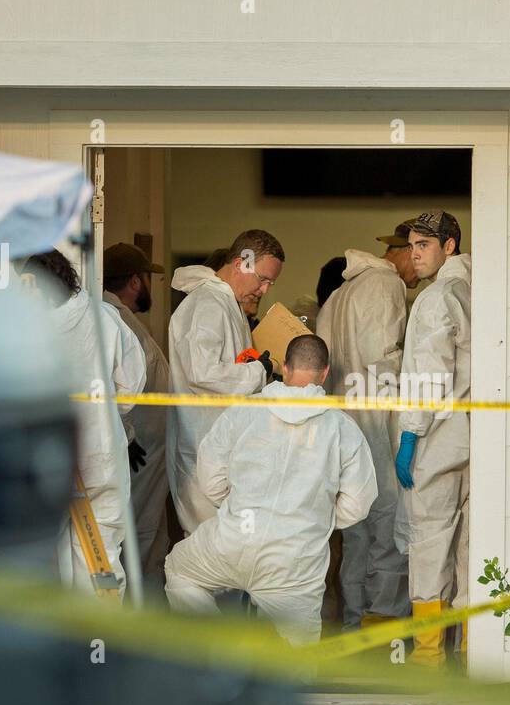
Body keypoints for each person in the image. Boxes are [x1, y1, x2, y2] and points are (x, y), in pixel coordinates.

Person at [164, 335, 378, 646]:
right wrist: (315, 518)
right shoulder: (343, 428)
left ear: (286, 368)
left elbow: (208, 474)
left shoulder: (243, 412)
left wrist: (237, 507)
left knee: (181, 572)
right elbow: (358, 504)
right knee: (299, 657)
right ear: (325, 372)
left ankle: (216, 652)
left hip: (233, 542)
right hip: (294, 562)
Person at [25, 250, 146, 597]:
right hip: (102, 455)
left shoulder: (28, 329)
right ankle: (103, 642)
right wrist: (107, 419)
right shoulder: (104, 318)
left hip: (52, 457)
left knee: (51, 559)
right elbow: (132, 385)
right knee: (102, 556)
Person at [317, 224, 418, 630]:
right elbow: (384, 357)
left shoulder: (338, 296)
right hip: (378, 422)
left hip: (342, 427)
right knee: (390, 530)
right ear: (403, 252)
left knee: (355, 534)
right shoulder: (386, 283)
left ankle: (352, 627)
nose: (418, 272)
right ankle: (385, 634)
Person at [394, 211, 471, 667]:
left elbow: (428, 373)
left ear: (450, 246)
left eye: (424, 244)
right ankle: (468, 650)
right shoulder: (474, 290)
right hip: (472, 438)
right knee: (469, 545)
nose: (414, 253)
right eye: (411, 245)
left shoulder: (436, 297)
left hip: (437, 438)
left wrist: (410, 433)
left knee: (427, 544)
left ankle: (427, 658)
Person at [166, 229, 282, 534]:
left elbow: (226, 366)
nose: (265, 290)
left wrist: (256, 367)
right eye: (263, 279)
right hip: (204, 452)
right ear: (241, 263)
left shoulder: (228, 306)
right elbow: (203, 373)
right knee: (211, 554)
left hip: (220, 451)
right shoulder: (208, 304)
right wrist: (259, 370)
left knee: (227, 555)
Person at [102, 242, 171, 586]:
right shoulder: (118, 321)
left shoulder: (119, 318)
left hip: (144, 449)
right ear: (134, 282)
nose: (148, 286)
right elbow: (120, 387)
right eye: (146, 278)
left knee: (148, 536)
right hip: (138, 451)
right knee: (137, 535)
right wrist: (127, 436)